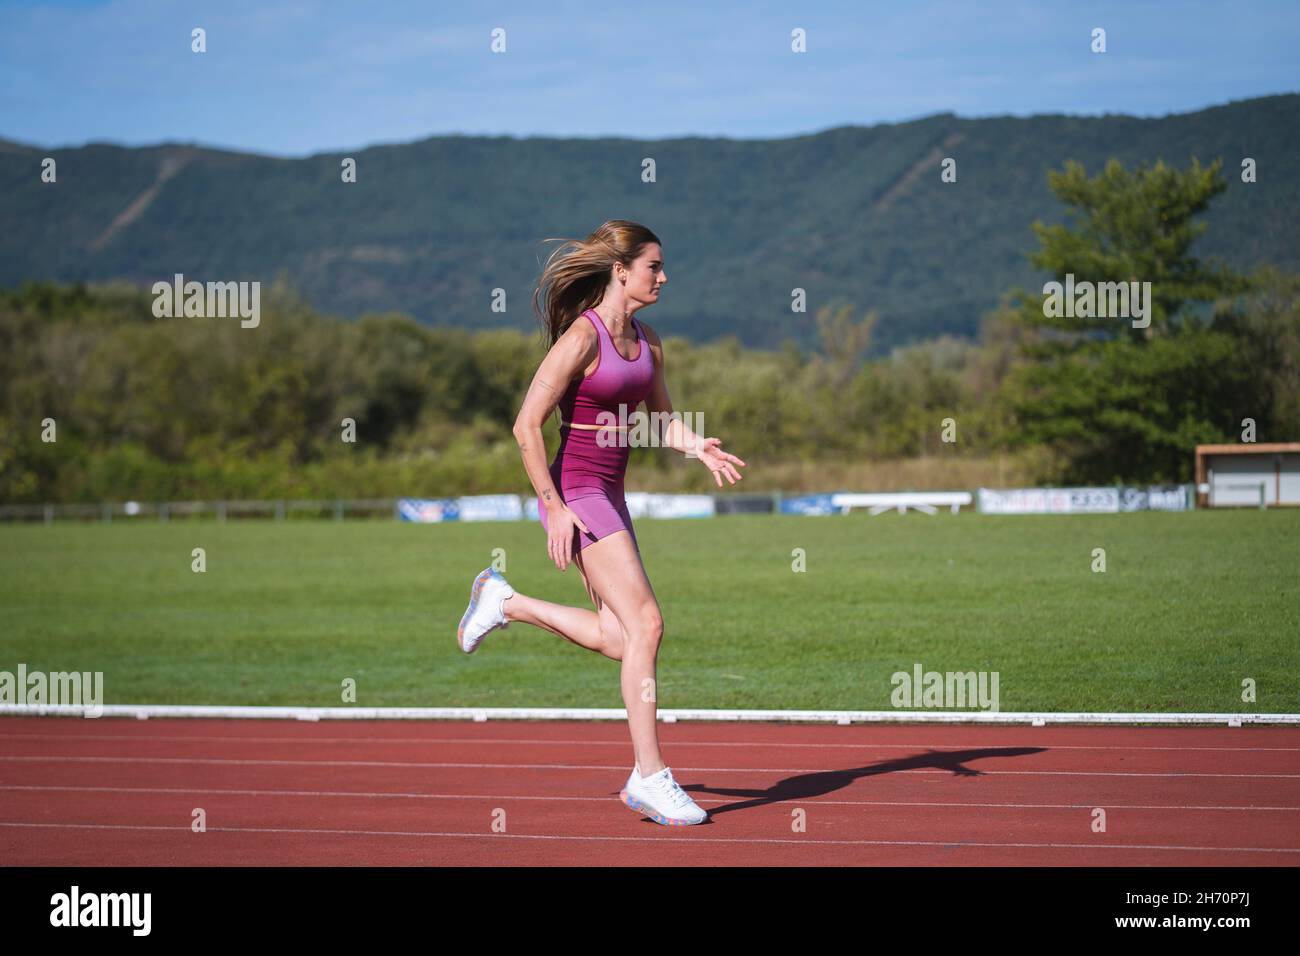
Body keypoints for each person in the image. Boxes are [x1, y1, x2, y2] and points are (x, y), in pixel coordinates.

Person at [456, 220, 746, 826]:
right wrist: (553, 506)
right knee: (648, 623)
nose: (663, 277)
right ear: (621, 270)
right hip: (577, 490)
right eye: (654, 267)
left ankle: (505, 601)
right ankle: (650, 775)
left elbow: (661, 419)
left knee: (620, 639)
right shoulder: (581, 340)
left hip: (610, 492)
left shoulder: (650, 340)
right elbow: (525, 424)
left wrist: (698, 447)